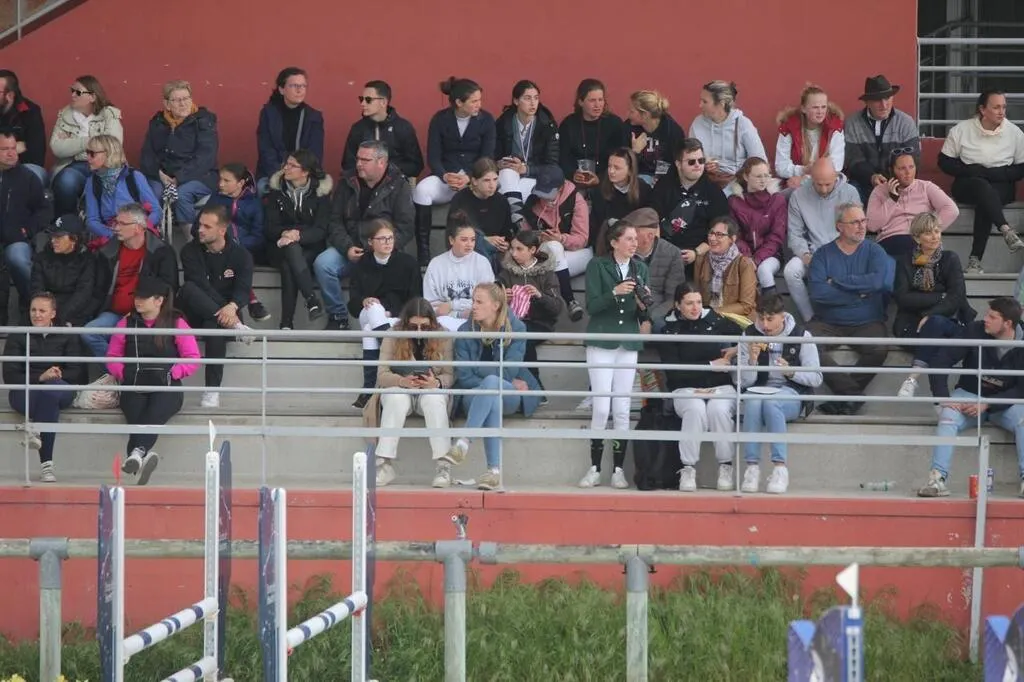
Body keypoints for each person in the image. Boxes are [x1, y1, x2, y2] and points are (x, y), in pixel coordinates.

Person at [917, 297, 1024, 498]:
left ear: (1008, 323)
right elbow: (942, 360)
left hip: (1004, 403)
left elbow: (1022, 390)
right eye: (987, 314)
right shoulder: (974, 330)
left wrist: (988, 404)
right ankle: (937, 479)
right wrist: (944, 399)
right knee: (947, 416)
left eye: (992, 317)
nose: (985, 319)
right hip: (968, 394)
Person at [447, 282, 542, 491]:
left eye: (479, 302)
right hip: (475, 394)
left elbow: (508, 372)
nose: (474, 306)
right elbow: (464, 377)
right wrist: (494, 375)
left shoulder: (516, 328)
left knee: (492, 386)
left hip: (510, 394)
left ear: (496, 305)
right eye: (473, 301)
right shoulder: (465, 331)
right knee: (492, 392)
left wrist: (479, 370)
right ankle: (494, 473)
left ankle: (464, 441)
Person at [106, 277, 200, 486]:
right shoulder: (125, 323)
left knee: (153, 413)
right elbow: (112, 356)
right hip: (134, 384)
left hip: (166, 386)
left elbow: (192, 358)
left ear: (159, 301)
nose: (138, 301)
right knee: (137, 414)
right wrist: (124, 374)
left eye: (144, 297)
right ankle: (141, 457)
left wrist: (173, 374)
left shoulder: (177, 323)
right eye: (137, 296)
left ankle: (136, 454)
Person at [579, 222, 649, 489]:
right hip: (602, 339)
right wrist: (614, 293)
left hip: (628, 342)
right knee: (602, 405)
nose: (635, 243)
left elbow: (643, 314)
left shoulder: (640, 268)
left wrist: (644, 304)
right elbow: (593, 305)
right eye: (629, 239)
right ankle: (595, 467)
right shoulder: (597, 265)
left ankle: (618, 469)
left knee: (621, 408)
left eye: (636, 239)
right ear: (614, 242)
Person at [315, 140, 415, 330]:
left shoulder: (399, 186)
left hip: (381, 253)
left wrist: (379, 249)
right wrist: (346, 247)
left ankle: (385, 318)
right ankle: (338, 316)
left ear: (381, 162)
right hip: (351, 250)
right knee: (323, 263)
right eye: (358, 158)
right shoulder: (347, 182)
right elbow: (334, 221)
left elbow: (405, 227)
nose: (359, 163)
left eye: (365, 160)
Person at [807, 202, 895, 415]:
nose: (861, 226)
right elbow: (818, 293)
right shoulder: (822, 255)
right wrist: (858, 294)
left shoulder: (875, 250)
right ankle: (851, 395)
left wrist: (836, 282)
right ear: (839, 226)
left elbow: (877, 283)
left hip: (867, 321)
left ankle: (843, 398)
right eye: (855, 222)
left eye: (863, 220)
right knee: (805, 343)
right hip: (828, 321)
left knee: (879, 349)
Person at [658, 282, 743, 492]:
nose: (695, 308)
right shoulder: (669, 330)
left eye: (698, 302)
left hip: (720, 387)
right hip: (685, 389)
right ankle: (688, 468)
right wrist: (710, 367)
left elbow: (749, 336)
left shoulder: (718, 322)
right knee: (695, 409)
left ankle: (726, 466)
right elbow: (674, 372)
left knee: (718, 409)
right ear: (678, 305)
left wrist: (734, 350)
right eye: (689, 303)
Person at [736, 293, 822, 494]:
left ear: (782, 316)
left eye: (770, 319)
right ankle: (752, 468)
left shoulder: (801, 336)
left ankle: (780, 468)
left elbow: (816, 378)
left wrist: (792, 372)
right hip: (757, 390)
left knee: (771, 402)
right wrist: (752, 362)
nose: (765, 325)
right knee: (753, 401)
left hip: (791, 392)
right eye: (761, 319)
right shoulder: (748, 336)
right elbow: (741, 382)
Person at [369, 298, 454, 487]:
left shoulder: (444, 335)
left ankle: (443, 466)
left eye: (424, 327)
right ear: (405, 323)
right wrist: (402, 381)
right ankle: (384, 465)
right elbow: (382, 374)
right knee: (396, 398)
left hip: (429, 391)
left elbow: (450, 375)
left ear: (432, 323)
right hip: (401, 389)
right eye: (413, 326)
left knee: (434, 400)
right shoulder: (393, 335)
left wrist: (436, 382)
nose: (418, 332)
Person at [178, 204, 255, 409]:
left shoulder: (241, 255)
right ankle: (236, 327)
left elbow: (243, 289)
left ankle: (212, 391)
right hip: (196, 312)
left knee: (214, 327)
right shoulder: (190, 251)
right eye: (200, 224)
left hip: (222, 316)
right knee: (189, 288)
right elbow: (200, 286)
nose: (200, 230)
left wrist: (233, 306)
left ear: (222, 230)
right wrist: (229, 311)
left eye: (207, 226)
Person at [938, 90, 1024, 273]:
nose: (1002, 112)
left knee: (986, 197)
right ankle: (1005, 229)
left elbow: (1020, 169)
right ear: (982, 110)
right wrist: (970, 170)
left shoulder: (1014, 133)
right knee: (982, 187)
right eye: (996, 107)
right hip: (968, 183)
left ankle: (975, 260)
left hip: (1002, 186)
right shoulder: (962, 130)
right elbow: (944, 162)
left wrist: (994, 174)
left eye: (1004, 107)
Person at [2, 292, 83, 483]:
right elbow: (10, 375)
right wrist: (40, 377)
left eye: (42, 311)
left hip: (58, 386)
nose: (36, 315)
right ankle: (46, 465)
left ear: (53, 314)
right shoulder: (19, 335)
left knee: (51, 391)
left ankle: (35, 431)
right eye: (33, 310)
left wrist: (56, 375)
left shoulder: (66, 334)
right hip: (25, 391)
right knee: (48, 397)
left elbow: (78, 371)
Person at [414, 77, 495, 266]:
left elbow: (487, 155)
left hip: (475, 179)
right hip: (446, 178)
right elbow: (433, 156)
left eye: (479, 100)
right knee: (421, 190)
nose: (479, 105)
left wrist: (469, 176)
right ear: (459, 102)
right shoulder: (440, 119)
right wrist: (444, 175)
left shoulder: (487, 120)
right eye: (474, 101)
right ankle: (424, 252)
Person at [893, 212, 974, 398]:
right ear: (916, 237)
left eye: (937, 231)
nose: (935, 236)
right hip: (911, 325)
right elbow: (902, 297)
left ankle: (912, 378)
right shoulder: (905, 260)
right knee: (937, 350)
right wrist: (940, 296)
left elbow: (957, 297)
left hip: (949, 323)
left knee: (935, 323)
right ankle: (942, 404)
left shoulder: (950, 258)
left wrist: (930, 314)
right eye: (928, 233)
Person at [85, 203, 178, 357]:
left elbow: (168, 288)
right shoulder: (107, 252)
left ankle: (123, 374)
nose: (115, 227)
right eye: (115, 222)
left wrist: (138, 313)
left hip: (147, 315)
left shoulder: (161, 252)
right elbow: (98, 290)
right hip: (113, 314)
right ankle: (119, 373)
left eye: (122, 223)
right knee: (89, 333)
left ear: (138, 228)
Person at [348, 219, 422, 409]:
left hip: (398, 318)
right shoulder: (361, 264)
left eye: (390, 238)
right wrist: (363, 301)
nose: (388, 242)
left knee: (368, 331)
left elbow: (415, 300)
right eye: (382, 239)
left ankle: (369, 390)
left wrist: (392, 311)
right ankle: (397, 357)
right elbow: (353, 303)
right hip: (369, 313)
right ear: (370, 242)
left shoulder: (408, 263)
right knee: (373, 309)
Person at [784, 158, 861, 322]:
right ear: (811, 178)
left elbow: (857, 228)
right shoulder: (798, 196)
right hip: (813, 253)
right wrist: (806, 256)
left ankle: (846, 318)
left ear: (836, 177)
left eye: (828, 184)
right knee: (791, 272)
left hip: (843, 251)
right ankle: (810, 319)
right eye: (819, 184)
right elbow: (795, 234)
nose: (824, 189)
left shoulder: (850, 192)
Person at [139, 80, 219, 233]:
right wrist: (159, 173)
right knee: (151, 195)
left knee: (182, 195)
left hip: (198, 176)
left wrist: (179, 178)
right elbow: (147, 155)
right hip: (162, 176)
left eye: (186, 98)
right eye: (177, 100)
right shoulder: (158, 123)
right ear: (167, 104)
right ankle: (154, 238)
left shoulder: (203, 121)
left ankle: (190, 242)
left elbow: (205, 158)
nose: (183, 104)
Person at [263, 149, 330, 329]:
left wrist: (298, 235)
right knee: (291, 250)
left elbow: (321, 229)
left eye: (293, 165)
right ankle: (311, 300)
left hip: (310, 248)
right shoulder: (276, 192)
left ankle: (286, 324)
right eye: (287, 164)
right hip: (278, 246)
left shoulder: (320, 194)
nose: (287, 168)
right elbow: (270, 228)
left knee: (289, 264)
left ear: (306, 171)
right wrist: (286, 234)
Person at [199, 163, 269, 322]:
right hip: (219, 249)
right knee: (225, 229)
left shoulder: (254, 203)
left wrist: (238, 242)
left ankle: (248, 302)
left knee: (235, 252)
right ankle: (252, 301)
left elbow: (259, 236)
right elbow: (199, 224)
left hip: (247, 249)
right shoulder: (216, 198)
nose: (220, 184)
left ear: (240, 183)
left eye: (226, 180)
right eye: (220, 180)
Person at [650, 138, 730, 276]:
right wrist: (662, 250)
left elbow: (721, 231)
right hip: (665, 254)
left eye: (701, 161)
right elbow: (652, 222)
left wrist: (696, 253)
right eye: (691, 162)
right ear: (678, 164)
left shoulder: (714, 192)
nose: (698, 165)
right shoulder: (663, 188)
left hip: (702, 255)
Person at [522, 166, 590, 321]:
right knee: (553, 248)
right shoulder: (532, 201)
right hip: (542, 253)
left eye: (548, 193)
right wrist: (538, 238)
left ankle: (545, 312)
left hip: (574, 253)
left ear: (560, 188)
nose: (544, 198)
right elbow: (523, 237)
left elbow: (582, 239)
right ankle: (570, 300)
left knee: (556, 247)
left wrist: (561, 238)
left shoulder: (576, 200)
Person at [497, 229, 563, 391]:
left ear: (532, 250)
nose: (514, 253)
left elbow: (557, 307)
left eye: (519, 249)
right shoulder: (505, 273)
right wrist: (501, 297)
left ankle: (534, 387)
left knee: (523, 336)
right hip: (511, 324)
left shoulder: (547, 274)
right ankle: (525, 387)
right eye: (512, 248)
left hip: (540, 324)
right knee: (518, 334)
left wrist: (540, 296)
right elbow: (492, 299)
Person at [49, 75, 123, 214]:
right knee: (66, 181)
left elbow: (113, 146)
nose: (73, 95)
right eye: (72, 90)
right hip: (73, 165)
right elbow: (57, 148)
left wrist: (73, 145)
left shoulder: (109, 114)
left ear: (92, 97)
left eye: (78, 92)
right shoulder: (65, 115)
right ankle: (65, 224)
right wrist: (89, 142)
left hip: (105, 166)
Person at [866, 149, 959, 258]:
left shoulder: (926, 187)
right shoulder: (880, 191)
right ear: (891, 170)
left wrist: (928, 230)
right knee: (912, 253)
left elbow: (952, 210)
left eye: (911, 167)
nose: (908, 172)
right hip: (891, 239)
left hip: (921, 240)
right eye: (902, 168)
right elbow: (872, 225)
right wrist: (892, 200)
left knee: (952, 258)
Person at [843, 75, 921, 204]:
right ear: (867, 102)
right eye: (877, 100)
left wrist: (893, 182)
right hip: (863, 183)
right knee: (848, 194)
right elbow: (853, 159)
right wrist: (871, 177)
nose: (884, 105)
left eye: (887, 98)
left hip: (899, 183)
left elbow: (913, 158)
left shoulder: (906, 122)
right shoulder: (853, 123)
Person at [494, 80, 560, 223]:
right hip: (508, 176)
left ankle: (515, 224)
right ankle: (519, 225)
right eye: (527, 98)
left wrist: (526, 169)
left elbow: (552, 165)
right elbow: (493, 156)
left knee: (512, 195)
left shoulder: (547, 126)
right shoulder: (502, 124)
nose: (533, 103)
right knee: (507, 172)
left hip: (535, 177)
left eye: (536, 98)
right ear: (516, 101)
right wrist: (497, 164)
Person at [0, 129, 51, 311]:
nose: (11, 153)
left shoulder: (28, 177)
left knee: (18, 259)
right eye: (5, 149)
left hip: (17, 239)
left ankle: (33, 304)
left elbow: (44, 210)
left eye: (13, 148)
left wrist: (28, 230)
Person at [255, 67, 324, 194]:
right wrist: (279, 174)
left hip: (303, 173)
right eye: (294, 86)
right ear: (282, 89)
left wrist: (298, 173)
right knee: (262, 188)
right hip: (274, 172)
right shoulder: (268, 114)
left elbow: (315, 152)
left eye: (303, 86)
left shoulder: (314, 117)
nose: (300, 90)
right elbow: (266, 149)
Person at [83, 134, 162, 244]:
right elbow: (92, 220)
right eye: (87, 153)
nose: (87, 158)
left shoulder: (134, 177)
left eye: (92, 154)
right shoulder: (92, 182)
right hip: (110, 234)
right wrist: (113, 234)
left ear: (109, 154)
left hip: (137, 232)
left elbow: (156, 210)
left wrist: (141, 228)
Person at [689, 81, 767, 190]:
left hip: (737, 184)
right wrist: (703, 163)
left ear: (721, 104)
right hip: (704, 180)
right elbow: (689, 156)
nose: (700, 105)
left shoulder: (743, 124)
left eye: (705, 101)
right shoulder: (698, 124)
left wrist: (740, 171)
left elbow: (760, 161)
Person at [422, 213, 494, 331]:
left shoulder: (482, 262)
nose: (469, 244)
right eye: (464, 240)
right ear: (451, 240)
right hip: (444, 321)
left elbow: (487, 301)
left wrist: (452, 305)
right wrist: (457, 314)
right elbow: (432, 306)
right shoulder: (436, 264)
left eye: (472, 240)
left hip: (475, 318)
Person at [342, 80, 423, 180]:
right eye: (361, 99)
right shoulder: (358, 128)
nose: (363, 103)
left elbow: (415, 165)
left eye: (368, 99)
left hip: (394, 184)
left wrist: (386, 171)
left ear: (383, 102)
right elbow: (348, 163)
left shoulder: (403, 127)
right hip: (363, 183)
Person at [729, 157, 787, 292]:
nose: (763, 180)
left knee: (764, 270)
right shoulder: (734, 201)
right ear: (746, 176)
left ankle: (772, 309)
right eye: (758, 176)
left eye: (766, 175)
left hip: (771, 255)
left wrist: (756, 260)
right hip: (742, 254)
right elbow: (735, 235)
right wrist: (747, 258)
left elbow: (776, 236)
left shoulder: (777, 200)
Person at [558, 78, 628, 190]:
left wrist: (600, 178)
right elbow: (563, 157)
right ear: (581, 102)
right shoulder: (568, 124)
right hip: (576, 180)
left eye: (600, 100)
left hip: (608, 179)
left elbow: (622, 157)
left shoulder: (614, 124)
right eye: (592, 100)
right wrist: (573, 174)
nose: (597, 105)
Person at [30, 214, 98, 327]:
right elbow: (37, 289)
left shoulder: (87, 260)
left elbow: (83, 294)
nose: (53, 240)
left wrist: (62, 317)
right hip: (43, 313)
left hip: (75, 315)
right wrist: (47, 314)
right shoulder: (42, 258)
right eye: (52, 236)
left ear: (74, 239)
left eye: (59, 237)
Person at [622, 208, 685, 329]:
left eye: (633, 235)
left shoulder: (673, 253)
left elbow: (673, 298)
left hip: (658, 311)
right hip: (626, 309)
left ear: (650, 236)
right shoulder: (621, 251)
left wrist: (650, 319)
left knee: (661, 327)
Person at [448, 157, 514, 270]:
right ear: (474, 181)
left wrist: (506, 243)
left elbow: (507, 232)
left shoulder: (501, 201)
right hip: (469, 249)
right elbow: (455, 232)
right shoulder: (460, 200)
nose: (492, 185)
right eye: (486, 180)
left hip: (496, 251)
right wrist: (484, 239)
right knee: (480, 247)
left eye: (495, 179)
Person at [775, 85, 845, 189]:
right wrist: (803, 170)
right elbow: (781, 166)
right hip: (795, 183)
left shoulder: (834, 127)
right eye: (815, 107)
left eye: (823, 107)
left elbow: (837, 165)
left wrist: (807, 178)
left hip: (826, 183)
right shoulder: (789, 127)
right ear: (803, 108)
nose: (820, 112)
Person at [588, 148, 652, 251]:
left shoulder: (643, 190)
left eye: (617, 168)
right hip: (606, 244)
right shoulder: (600, 190)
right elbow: (596, 225)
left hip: (634, 245)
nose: (611, 171)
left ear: (630, 170)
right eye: (609, 166)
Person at [694, 216, 757, 320]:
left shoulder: (744, 264)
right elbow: (696, 294)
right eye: (711, 233)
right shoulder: (701, 259)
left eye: (719, 235)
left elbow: (746, 306)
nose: (712, 238)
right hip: (707, 317)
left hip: (735, 318)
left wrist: (714, 313)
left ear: (732, 239)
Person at [625, 90, 686, 185]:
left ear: (645, 115)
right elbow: (624, 167)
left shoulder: (672, 132)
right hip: (637, 180)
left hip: (665, 181)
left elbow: (676, 165)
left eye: (632, 111)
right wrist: (635, 151)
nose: (628, 114)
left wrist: (658, 180)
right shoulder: (629, 128)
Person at [0, 70, 46, 182]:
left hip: (24, 166)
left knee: (33, 175)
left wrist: (4, 150)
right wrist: (15, 148)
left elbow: (36, 156)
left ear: (9, 95)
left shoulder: (30, 112)